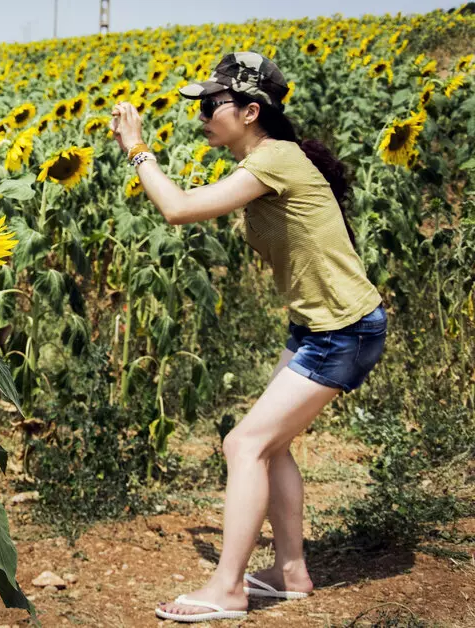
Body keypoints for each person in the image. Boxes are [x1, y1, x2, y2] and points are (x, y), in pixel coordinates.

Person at [110, 52, 387, 623]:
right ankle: (290, 573)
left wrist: (138, 149)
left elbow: (179, 209)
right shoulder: (261, 162)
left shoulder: (277, 160)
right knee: (272, 444)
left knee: (244, 445)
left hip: (342, 331)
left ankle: (228, 589)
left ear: (251, 110)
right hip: (318, 327)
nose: (203, 115)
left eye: (213, 105)